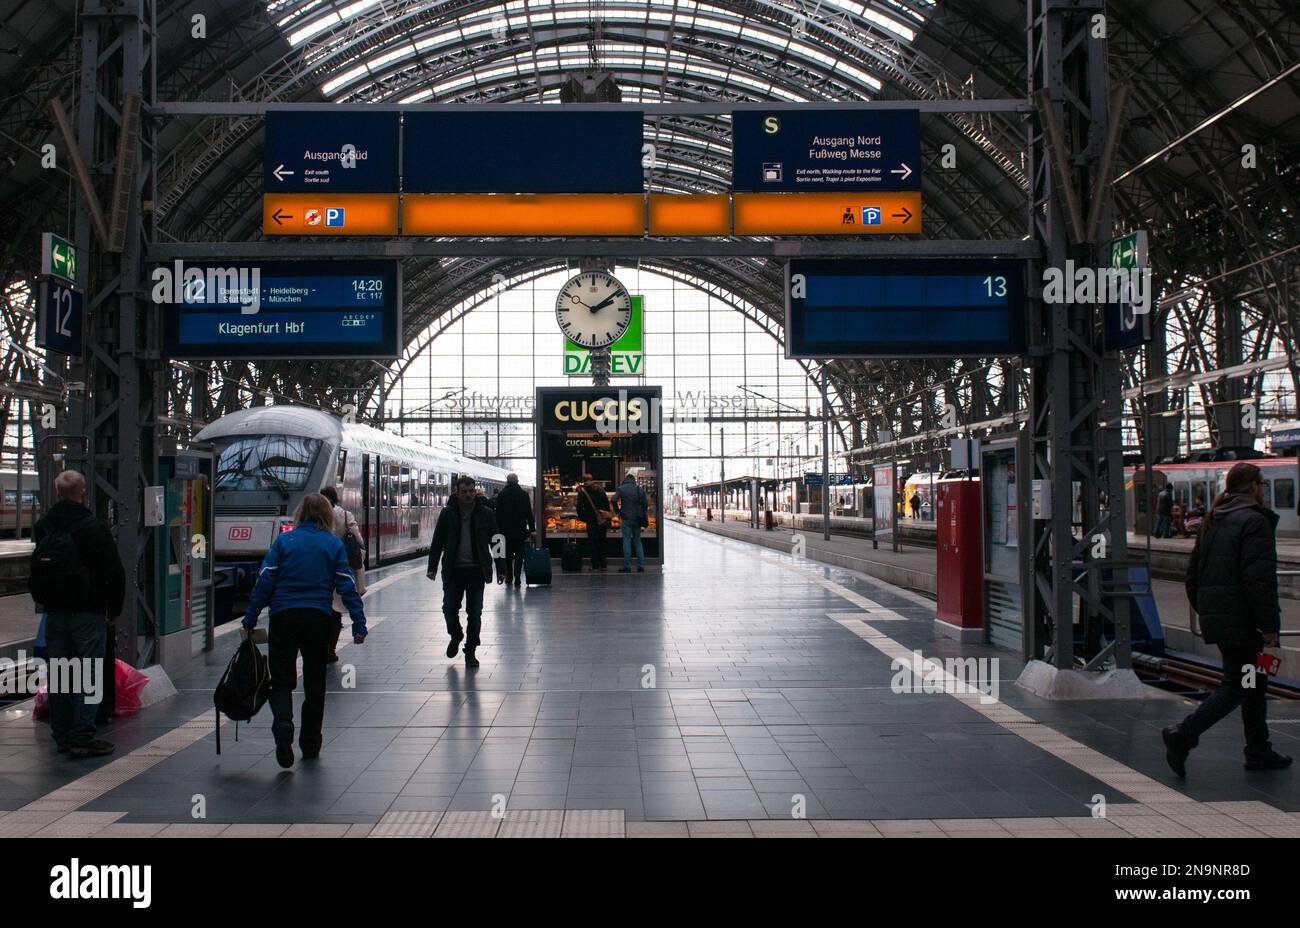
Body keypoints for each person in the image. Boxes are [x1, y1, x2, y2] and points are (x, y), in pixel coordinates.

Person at [1162, 462, 1290, 777]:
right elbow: (1258, 581)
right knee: (1237, 685)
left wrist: (1207, 610)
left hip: (1221, 619)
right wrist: (1269, 626)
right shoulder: (1254, 522)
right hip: (1244, 623)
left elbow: (1192, 575)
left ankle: (1258, 750)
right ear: (1253, 487)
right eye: (1261, 483)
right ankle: (1184, 733)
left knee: (1254, 682)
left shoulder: (1212, 520)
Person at [242, 493, 367, 768]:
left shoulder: (285, 541)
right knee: (314, 682)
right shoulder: (332, 544)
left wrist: (250, 617)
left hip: (284, 617)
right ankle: (310, 743)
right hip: (317, 619)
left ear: (300, 514)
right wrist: (359, 623)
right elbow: (346, 585)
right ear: (326, 515)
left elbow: (265, 581)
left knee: (282, 679)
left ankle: (284, 723)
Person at [30, 470, 125, 758]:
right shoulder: (93, 527)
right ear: (82, 492)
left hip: (55, 613)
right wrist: (114, 610)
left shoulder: (43, 526)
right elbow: (114, 571)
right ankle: (82, 735)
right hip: (89, 611)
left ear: (57, 492)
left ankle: (61, 736)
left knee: (60, 674)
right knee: (89, 673)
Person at [427, 475, 499, 667]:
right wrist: (432, 567)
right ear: (457, 492)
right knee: (449, 609)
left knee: (475, 613)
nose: (468, 495)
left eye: (471, 491)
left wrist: (502, 568)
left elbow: (497, 540)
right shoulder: (447, 514)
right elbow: (437, 542)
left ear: (475, 491)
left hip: (477, 571)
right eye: (464, 491)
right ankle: (456, 634)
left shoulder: (486, 513)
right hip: (453, 571)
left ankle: (471, 651)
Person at [320, 485, 365, 662]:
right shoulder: (345, 515)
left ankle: (322, 647)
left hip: (320, 569)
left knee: (322, 610)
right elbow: (358, 539)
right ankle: (330, 650)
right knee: (336, 609)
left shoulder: (316, 516)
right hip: (340, 567)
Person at [492, 473, 534, 588]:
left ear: (507, 481)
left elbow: (498, 514)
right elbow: (528, 513)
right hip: (520, 530)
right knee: (520, 555)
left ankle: (509, 576)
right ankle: (518, 577)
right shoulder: (524, 494)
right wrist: (532, 529)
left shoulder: (502, 495)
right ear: (517, 481)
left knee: (508, 555)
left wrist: (496, 529)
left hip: (505, 531)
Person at [575, 475, 612, 571]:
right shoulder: (600, 489)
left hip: (591, 520)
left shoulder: (582, 492)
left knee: (593, 543)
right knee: (602, 541)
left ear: (583, 481)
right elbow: (606, 504)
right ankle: (603, 564)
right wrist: (606, 516)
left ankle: (595, 565)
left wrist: (583, 518)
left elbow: (579, 507)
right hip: (602, 519)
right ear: (592, 480)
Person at [613, 473, 649, 573]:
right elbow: (645, 504)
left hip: (625, 518)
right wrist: (642, 512)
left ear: (625, 480)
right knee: (637, 541)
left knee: (626, 541)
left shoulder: (621, 488)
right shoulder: (639, 489)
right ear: (634, 481)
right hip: (637, 519)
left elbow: (613, 499)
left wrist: (618, 511)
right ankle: (641, 566)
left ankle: (627, 566)